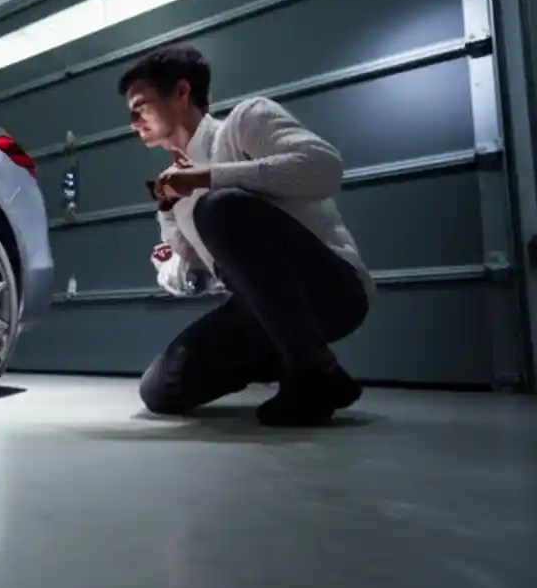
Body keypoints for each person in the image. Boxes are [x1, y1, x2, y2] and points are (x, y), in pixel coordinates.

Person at [119, 44, 374, 426]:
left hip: (334, 290)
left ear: (181, 92)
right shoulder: (178, 192)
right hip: (258, 307)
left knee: (220, 209)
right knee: (159, 390)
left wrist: (207, 177)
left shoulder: (245, 121)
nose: (133, 121)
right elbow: (198, 277)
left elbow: (325, 168)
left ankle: (313, 372)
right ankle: (288, 356)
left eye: (140, 106)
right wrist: (168, 259)